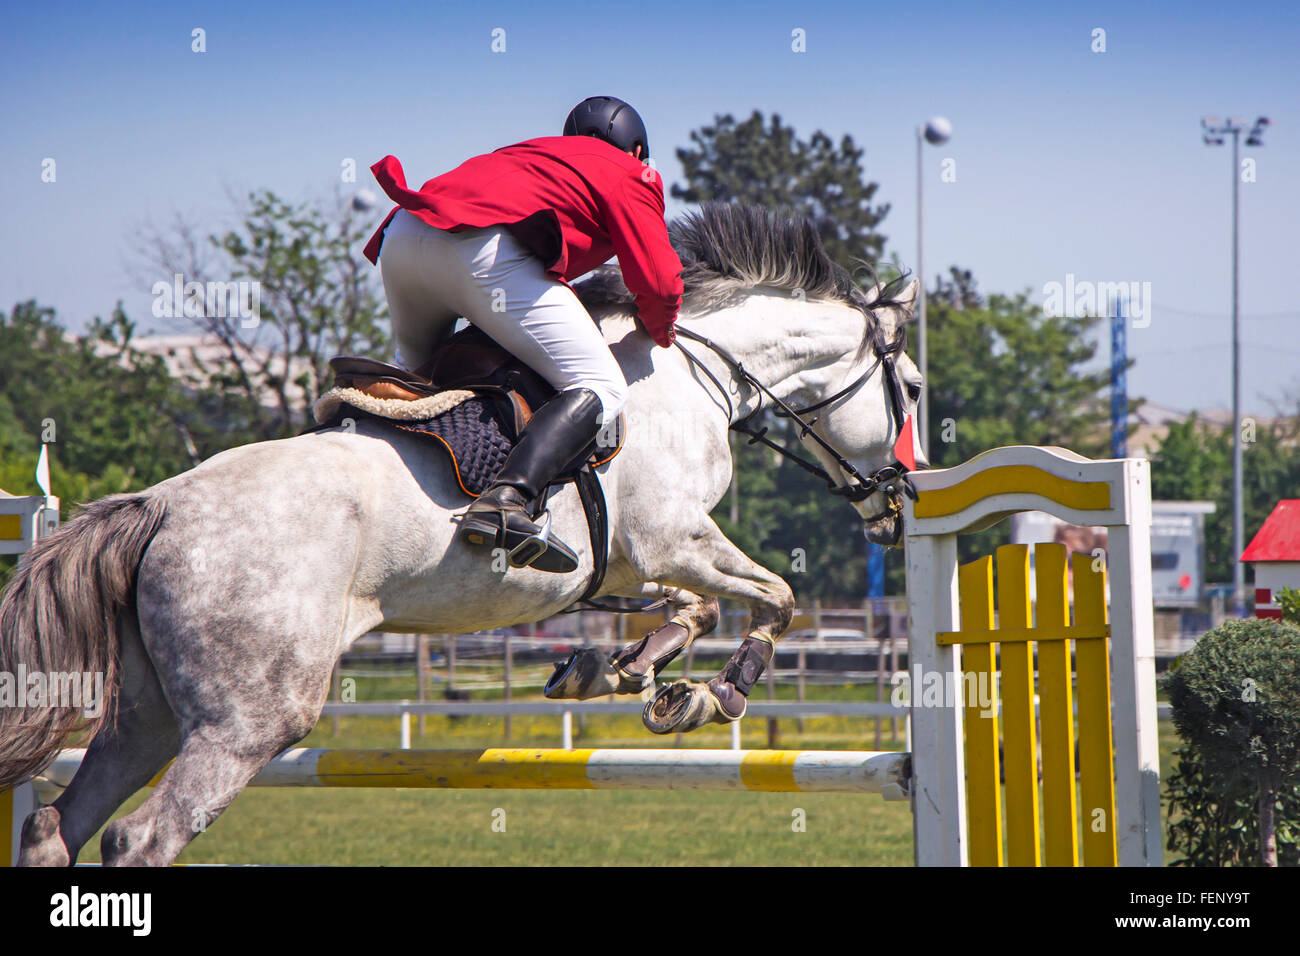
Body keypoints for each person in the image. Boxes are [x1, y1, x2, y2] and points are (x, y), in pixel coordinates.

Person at [362, 96, 684, 573]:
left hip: (404, 238)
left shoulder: (531, 152)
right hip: (481, 250)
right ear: (637, 150)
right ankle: (507, 499)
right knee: (602, 386)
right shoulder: (631, 172)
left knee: (417, 382)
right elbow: (658, 282)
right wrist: (661, 330)